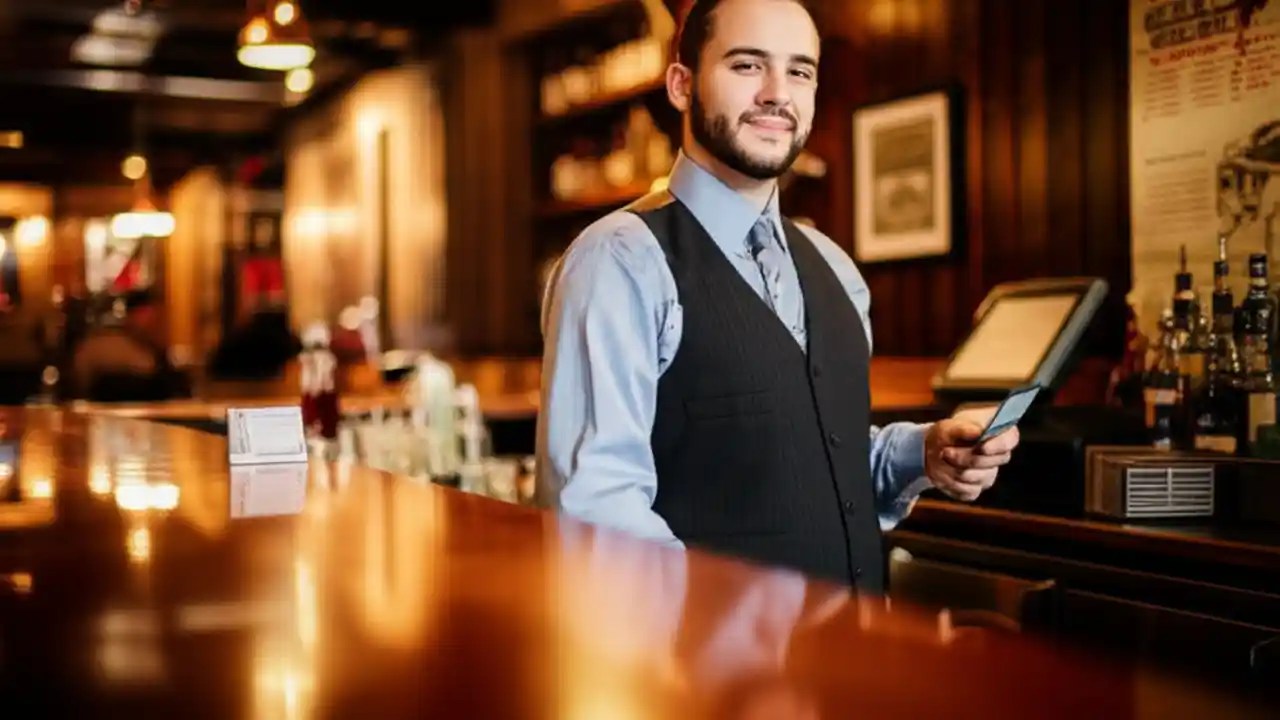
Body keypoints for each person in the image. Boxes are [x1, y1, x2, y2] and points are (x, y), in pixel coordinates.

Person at [536, 0, 1020, 593]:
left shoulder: (837, 269)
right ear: (682, 85)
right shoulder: (618, 261)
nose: (776, 93)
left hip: (853, 658)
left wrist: (923, 454)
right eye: (746, 66)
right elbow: (596, 518)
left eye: (800, 71)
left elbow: (812, 459)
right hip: (707, 680)